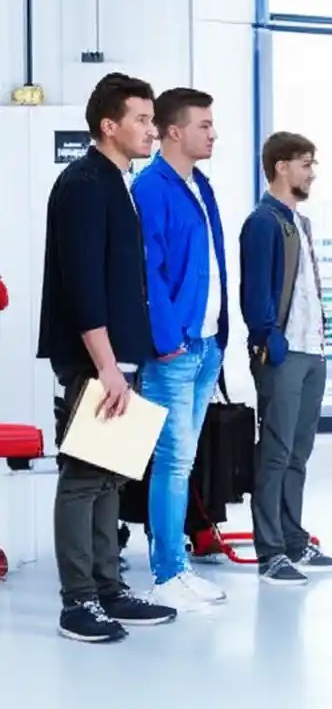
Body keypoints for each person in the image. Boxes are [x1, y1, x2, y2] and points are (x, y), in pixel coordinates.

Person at [37, 72, 178, 642]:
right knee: (83, 477)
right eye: (141, 119)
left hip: (120, 358)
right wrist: (106, 365)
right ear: (108, 125)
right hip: (96, 360)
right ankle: (78, 603)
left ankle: (108, 589)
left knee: (108, 478)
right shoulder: (84, 183)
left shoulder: (117, 182)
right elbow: (82, 285)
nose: (151, 129)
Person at [130, 87, 229, 611]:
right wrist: (166, 340)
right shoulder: (151, 188)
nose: (213, 134)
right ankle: (167, 573)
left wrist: (220, 335)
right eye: (204, 126)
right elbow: (148, 273)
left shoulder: (200, 185)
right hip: (175, 349)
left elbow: (211, 263)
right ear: (173, 131)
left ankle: (179, 567)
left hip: (207, 344)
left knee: (183, 461)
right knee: (171, 462)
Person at [239, 131, 332, 585]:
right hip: (283, 353)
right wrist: (267, 336)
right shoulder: (263, 221)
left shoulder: (301, 222)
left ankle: (294, 540)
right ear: (281, 167)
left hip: (311, 350)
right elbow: (254, 289)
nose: (312, 173)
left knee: (298, 452)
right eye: (305, 163)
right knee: (276, 453)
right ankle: (271, 553)